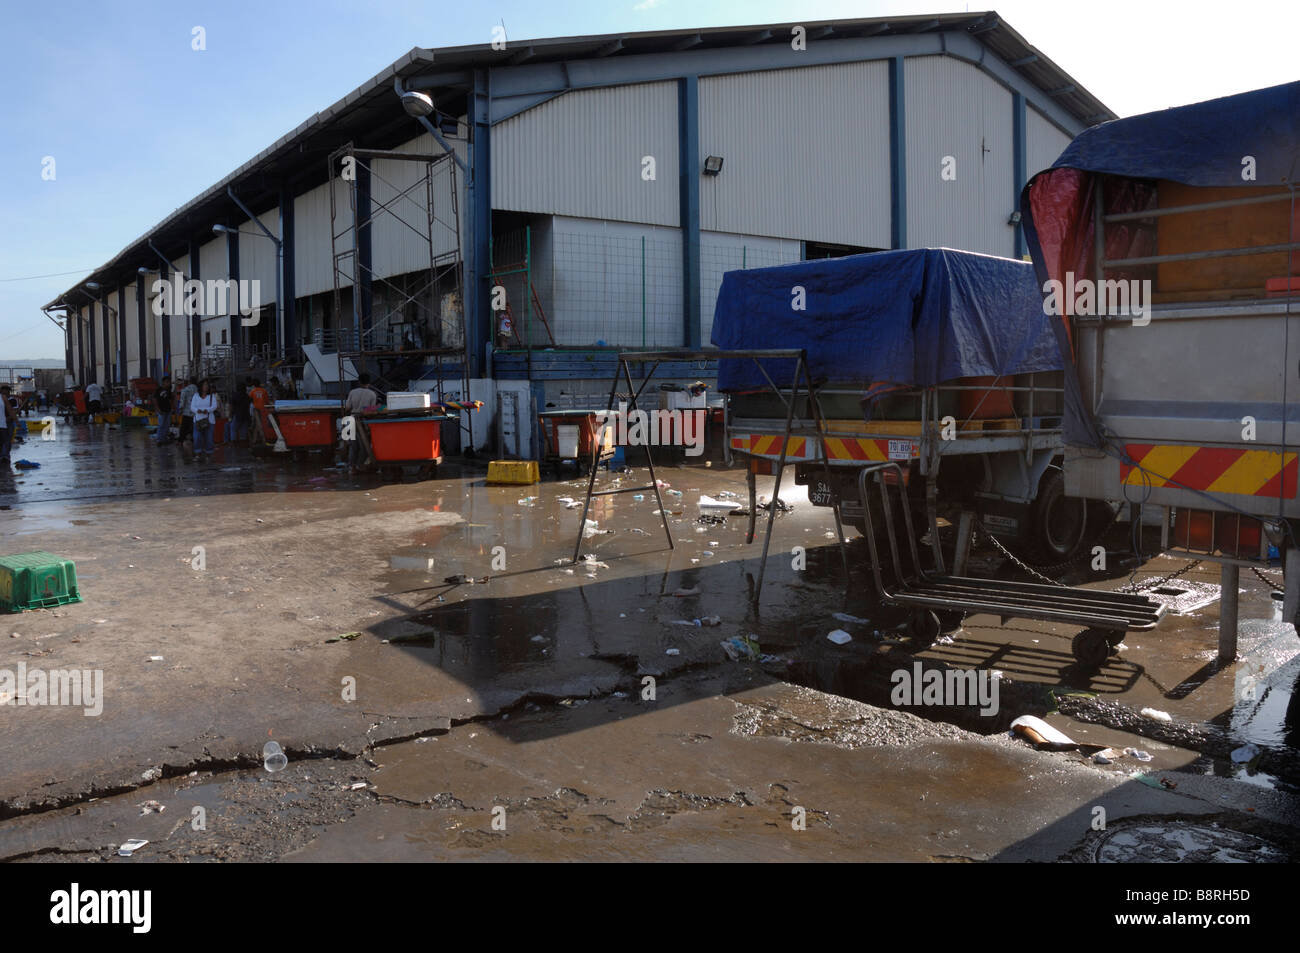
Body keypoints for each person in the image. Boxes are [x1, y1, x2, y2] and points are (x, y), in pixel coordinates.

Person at [343, 373, 380, 474]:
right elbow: (370, 411)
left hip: (351, 420)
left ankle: (352, 467)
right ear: (369, 382)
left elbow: (347, 408)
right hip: (363, 422)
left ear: (359, 382)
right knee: (364, 445)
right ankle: (361, 465)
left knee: (353, 446)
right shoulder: (372, 394)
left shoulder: (352, 392)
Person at [190, 379, 218, 458]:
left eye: (207, 385)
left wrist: (207, 410)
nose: (206, 387)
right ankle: (197, 452)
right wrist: (197, 410)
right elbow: (192, 407)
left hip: (209, 420)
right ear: (200, 386)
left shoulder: (211, 396)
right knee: (197, 437)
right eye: (204, 385)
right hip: (198, 420)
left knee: (209, 437)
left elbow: (215, 406)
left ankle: (209, 452)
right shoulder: (195, 395)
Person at [177, 377, 197, 450]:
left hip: (186, 412)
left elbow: (182, 401)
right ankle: (194, 440)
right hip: (196, 412)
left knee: (184, 427)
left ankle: (180, 441)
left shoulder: (185, 390)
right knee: (194, 427)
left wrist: (180, 410)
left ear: (189, 382)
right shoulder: (199, 390)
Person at [248, 378, 270, 445]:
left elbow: (249, 400)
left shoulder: (252, 391)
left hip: (256, 409)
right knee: (260, 424)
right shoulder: (264, 391)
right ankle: (256, 440)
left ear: (254, 385)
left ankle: (261, 440)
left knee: (258, 424)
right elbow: (267, 401)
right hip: (263, 409)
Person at [153, 377, 174, 445]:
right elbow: (154, 399)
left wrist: (171, 408)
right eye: (167, 382)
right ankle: (159, 439)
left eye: (169, 382)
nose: (169, 383)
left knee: (167, 425)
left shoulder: (169, 390)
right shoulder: (158, 390)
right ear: (163, 382)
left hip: (168, 410)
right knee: (161, 425)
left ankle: (164, 439)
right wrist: (158, 409)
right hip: (161, 410)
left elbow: (171, 400)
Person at [0, 384, 11, 466]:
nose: (5, 392)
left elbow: (13, 410)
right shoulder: (2, 399)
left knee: (7, 441)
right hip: (3, 423)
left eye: (6, 391)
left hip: (8, 423)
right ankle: (3, 456)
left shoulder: (11, 400)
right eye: (3, 391)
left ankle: (5, 456)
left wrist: (12, 418)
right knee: (4, 441)